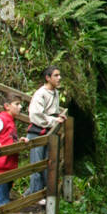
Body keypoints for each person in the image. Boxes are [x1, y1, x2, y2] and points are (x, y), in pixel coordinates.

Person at [27, 64, 66, 200]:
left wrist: (58, 117)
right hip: (37, 132)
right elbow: (36, 114)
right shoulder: (40, 94)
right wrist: (54, 121)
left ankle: (39, 194)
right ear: (47, 78)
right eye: (56, 75)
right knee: (37, 165)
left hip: (48, 133)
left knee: (46, 165)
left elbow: (51, 112)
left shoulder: (55, 92)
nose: (59, 78)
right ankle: (33, 196)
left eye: (59, 75)